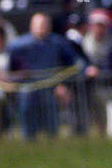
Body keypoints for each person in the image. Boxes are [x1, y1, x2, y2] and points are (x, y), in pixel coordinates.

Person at [7, 12, 80, 140]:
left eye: (45, 24)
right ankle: (29, 140)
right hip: (27, 87)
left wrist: (65, 85)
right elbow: (11, 69)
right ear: (31, 26)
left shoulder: (59, 43)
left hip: (52, 87)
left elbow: (75, 63)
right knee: (27, 105)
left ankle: (52, 138)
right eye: (39, 24)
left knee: (51, 110)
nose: (42, 27)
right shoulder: (18, 46)